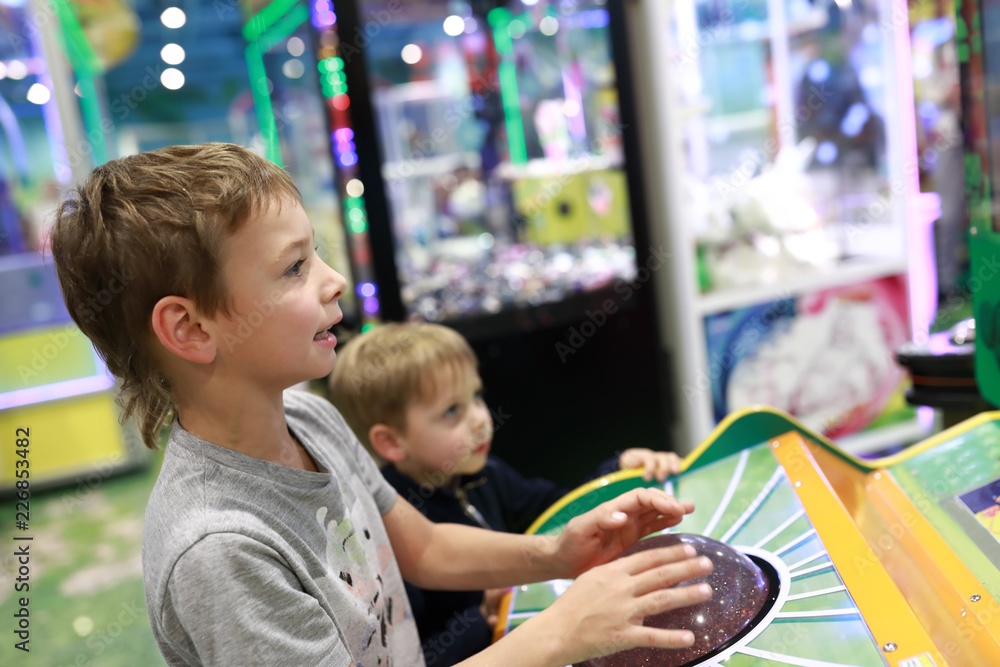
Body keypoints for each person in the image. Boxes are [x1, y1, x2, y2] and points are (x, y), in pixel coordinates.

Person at [49, 143, 712, 667]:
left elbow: (420, 548)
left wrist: (555, 554)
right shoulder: (219, 549)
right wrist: (559, 634)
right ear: (191, 329)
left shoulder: (310, 417)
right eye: (294, 267)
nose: (334, 280)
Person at [328, 322, 683, 666]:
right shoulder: (391, 533)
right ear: (391, 442)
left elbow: (558, 511)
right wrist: (480, 617)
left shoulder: (485, 474)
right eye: (453, 410)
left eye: (476, 396)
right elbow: (424, 653)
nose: (481, 418)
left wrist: (617, 470)